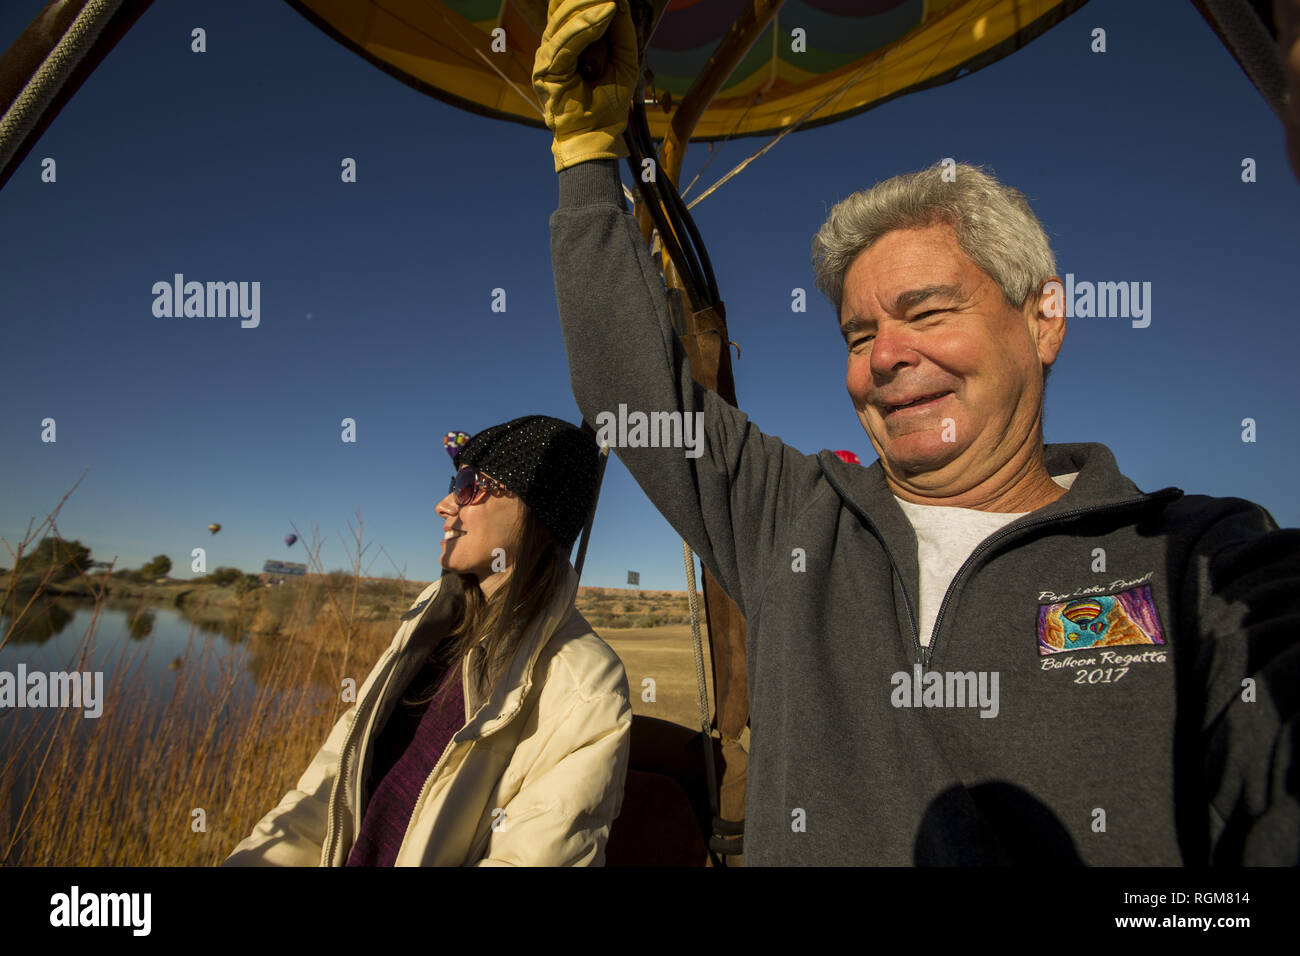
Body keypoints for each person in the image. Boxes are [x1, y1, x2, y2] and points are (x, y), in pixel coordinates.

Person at [532, 1, 1300, 864]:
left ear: (1045, 319)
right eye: (858, 337)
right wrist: (587, 158)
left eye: (927, 313)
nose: (886, 358)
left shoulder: (1196, 561)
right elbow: (628, 388)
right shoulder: (794, 518)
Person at [223, 415, 632, 866]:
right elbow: (328, 786)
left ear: (539, 512)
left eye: (469, 485)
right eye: (454, 482)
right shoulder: (429, 622)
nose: (443, 504)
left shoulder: (586, 682)